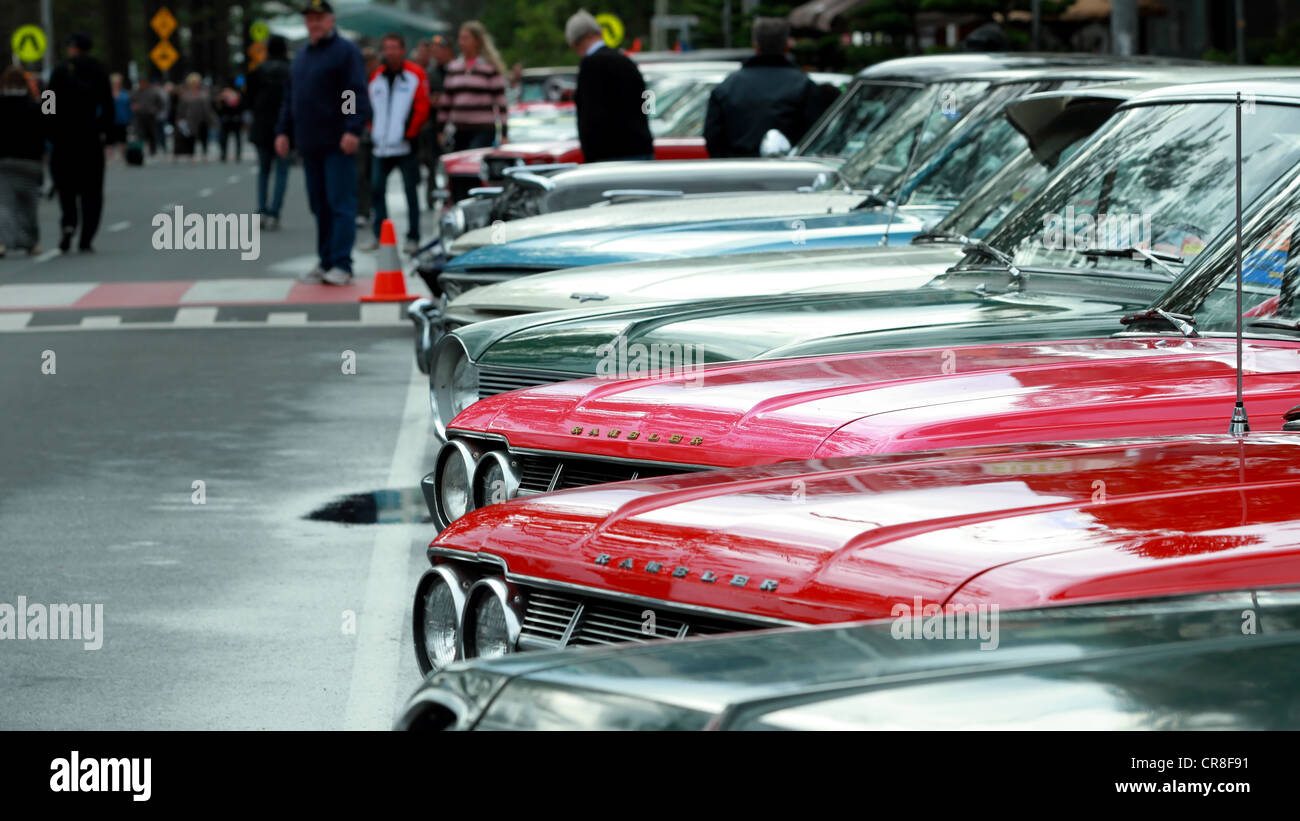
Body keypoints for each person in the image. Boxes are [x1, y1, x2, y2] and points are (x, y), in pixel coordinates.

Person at [275, 0, 371, 286]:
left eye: (318, 18)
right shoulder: (302, 54)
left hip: (337, 142)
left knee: (340, 203)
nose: (313, 23)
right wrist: (283, 131)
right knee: (319, 205)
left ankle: (342, 263)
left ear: (331, 20)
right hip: (309, 142)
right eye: (309, 19)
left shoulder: (344, 51)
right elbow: (291, 98)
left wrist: (351, 128)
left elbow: (352, 93)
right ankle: (326, 259)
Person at [703, 18, 825, 159]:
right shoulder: (804, 85)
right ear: (786, 46)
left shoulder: (728, 86)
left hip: (738, 170)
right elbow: (817, 137)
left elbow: (713, 138)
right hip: (791, 173)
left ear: (755, 46)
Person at [361, 33, 429, 255]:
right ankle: (379, 234)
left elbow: (422, 107)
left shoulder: (415, 75)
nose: (390, 52)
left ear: (402, 50)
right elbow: (368, 108)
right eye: (386, 48)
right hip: (381, 146)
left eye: (394, 48)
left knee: (411, 192)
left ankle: (413, 237)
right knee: (376, 189)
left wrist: (409, 133)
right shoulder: (377, 77)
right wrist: (374, 131)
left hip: (405, 145)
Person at [46, 32, 113, 253]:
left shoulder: (59, 71)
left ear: (72, 48)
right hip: (89, 135)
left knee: (66, 187)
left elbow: (49, 101)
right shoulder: (98, 70)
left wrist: (50, 128)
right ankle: (87, 236)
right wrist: (105, 132)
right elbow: (108, 104)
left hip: (64, 137)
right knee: (91, 190)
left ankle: (68, 222)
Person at [565, 10, 653, 163]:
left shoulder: (590, 65)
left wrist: (591, 156)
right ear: (599, 32)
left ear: (575, 43)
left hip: (609, 157)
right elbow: (645, 104)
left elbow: (591, 117)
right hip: (640, 150)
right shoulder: (626, 62)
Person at [438, 21, 508, 152]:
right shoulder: (454, 67)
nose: (461, 42)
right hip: (459, 129)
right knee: (459, 168)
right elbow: (446, 102)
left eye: (465, 38)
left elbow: (501, 103)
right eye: (460, 38)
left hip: (483, 129)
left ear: (477, 41)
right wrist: (440, 129)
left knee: (473, 164)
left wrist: (504, 133)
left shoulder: (489, 67)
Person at [246, 35, 292, 229]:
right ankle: (275, 212)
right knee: (282, 171)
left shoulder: (258, 71)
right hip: (285, 126)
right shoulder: (291, 71)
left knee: (264, 171)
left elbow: (248, 98)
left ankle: (262, 210)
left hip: (262, 126)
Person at [0, 66, 46, 257]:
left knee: (4, 204)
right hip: (30, 161)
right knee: (29, 204)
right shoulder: (34, 105)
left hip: (3, 161)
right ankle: (31, 242)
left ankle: (2, 242)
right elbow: (50, 119)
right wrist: (46, 91)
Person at [419, 34, 454, 206]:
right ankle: (432, 196)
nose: (436, 53)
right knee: (433, 163)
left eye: (439, 50)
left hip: (455, 124)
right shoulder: (429, 74)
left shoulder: (456, 70)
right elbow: (426, 99)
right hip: (433, 125)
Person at [356, 46, 379, 231]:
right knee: (361, 174)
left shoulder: (381, 78)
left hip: (380, 133)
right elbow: (347, 105)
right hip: (362, 133)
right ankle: (363, 210)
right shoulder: (355, 81)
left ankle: (373, 208)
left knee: (375, 175)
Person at [176, 73, 216, 162]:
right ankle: (191, 154)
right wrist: (179, 119)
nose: (196, 84)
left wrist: (211, 118)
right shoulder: (185, 95)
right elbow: (181, 108)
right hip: (190, 119)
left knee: (204, 136)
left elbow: (209, 107)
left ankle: (204, 153)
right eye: (193, 82)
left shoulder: (204, 93)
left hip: (203, 118)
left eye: (197, 82)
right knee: (191, 137)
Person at [131, 77, 165, 156]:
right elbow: (130, 102)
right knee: (139, 134)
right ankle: (140, 150)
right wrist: (133, 106)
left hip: (150, 116)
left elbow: (161, 103)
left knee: (152, 134)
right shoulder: (135, 92)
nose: (142, 84)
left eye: (143, 82)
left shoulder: (153, 92)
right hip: (139, 116)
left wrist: (156, 109)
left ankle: (152, 150)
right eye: (140, 82)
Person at [216, 84, 244, 162]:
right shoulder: (222, 98)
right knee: (223, 138)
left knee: (237, 138)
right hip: (226, 121)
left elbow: (241, 108)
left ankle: (238, 154)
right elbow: (219, 109)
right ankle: (223, 153)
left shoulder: (237, 97)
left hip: (235, 120)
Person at [108, 73, 132, 162]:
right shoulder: (107, 93)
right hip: (110, 119)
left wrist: (130, 118)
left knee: (123, 139)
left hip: (122, 119)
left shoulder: (124, 93)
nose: (117, 84)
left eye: (119, 83)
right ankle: (110, 157)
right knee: (110, 140)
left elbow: (129, 106)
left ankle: (123, 156)